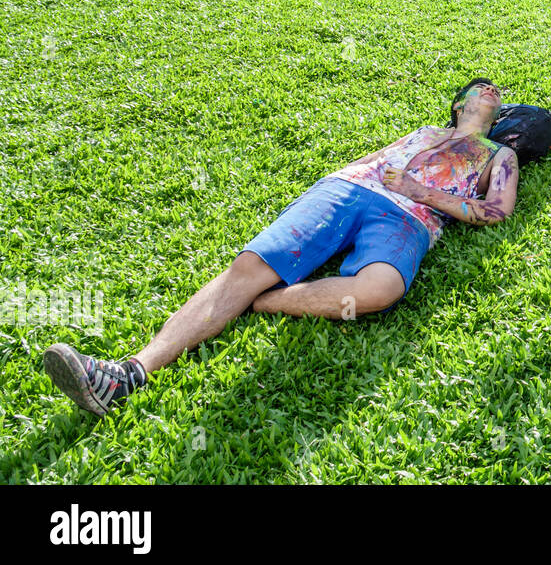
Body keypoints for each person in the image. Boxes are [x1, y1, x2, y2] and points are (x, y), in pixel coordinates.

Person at [42, 80, 520, 416]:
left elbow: (497, 212)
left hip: (409, 218)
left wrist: (424, 194)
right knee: (249, 266)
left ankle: (262, 300)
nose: (490, 89)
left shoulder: (500, 155)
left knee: (380, 290)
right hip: (350, 188)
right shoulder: (424, 132)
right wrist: (336, 184)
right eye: (479, 86)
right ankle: (126, 374)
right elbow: (369, 162)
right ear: (459, 103)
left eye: (495, 93)